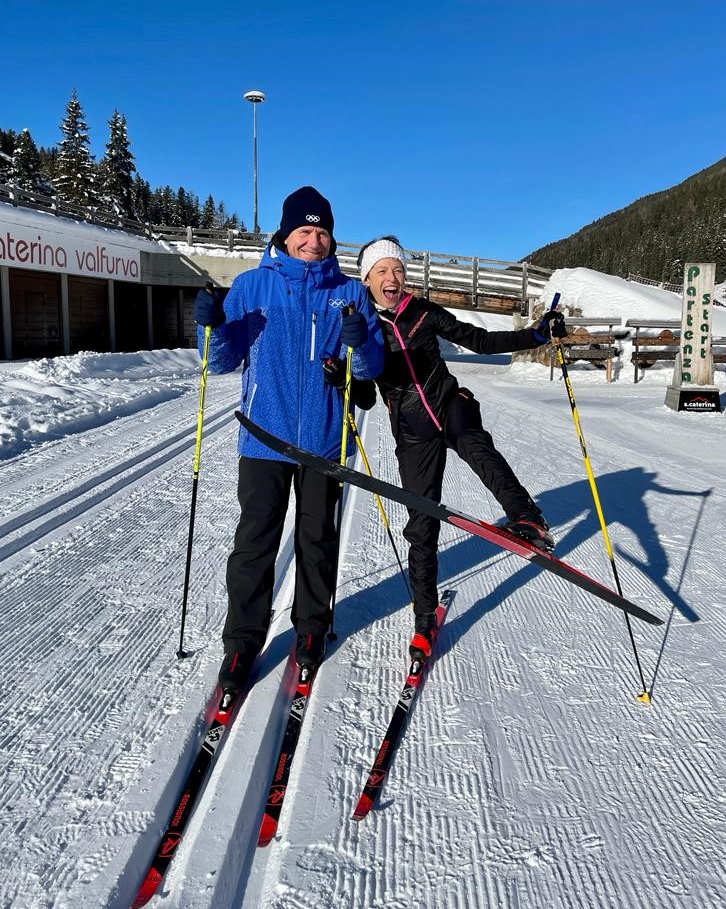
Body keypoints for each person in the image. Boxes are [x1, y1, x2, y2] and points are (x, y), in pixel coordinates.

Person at [194, 186, 384, 693]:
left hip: (323, 440)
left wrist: (358, 344)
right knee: (255, 543)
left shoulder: (349, 292)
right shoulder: (253, 286)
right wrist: (211, 327)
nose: (314, 240)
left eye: (322, 231)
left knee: (317, 540)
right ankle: (241, 646)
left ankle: (311, 633)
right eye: (304, 230)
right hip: (263, 440)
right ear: (285, 235)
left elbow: (369, 370)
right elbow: (220, 361)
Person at [357, 235, 567, 661]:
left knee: (473, 442)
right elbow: (360, 393)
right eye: (383, 271)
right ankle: (423, 615)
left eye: (398, 270)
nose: (392, 278)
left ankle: (528, 517)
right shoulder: (363, 328)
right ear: (367, 280)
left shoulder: (423, 313)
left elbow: (481, 340)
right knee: (422, 522)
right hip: (411, 431)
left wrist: (535, 335)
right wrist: (337, 364)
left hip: (448, 403)